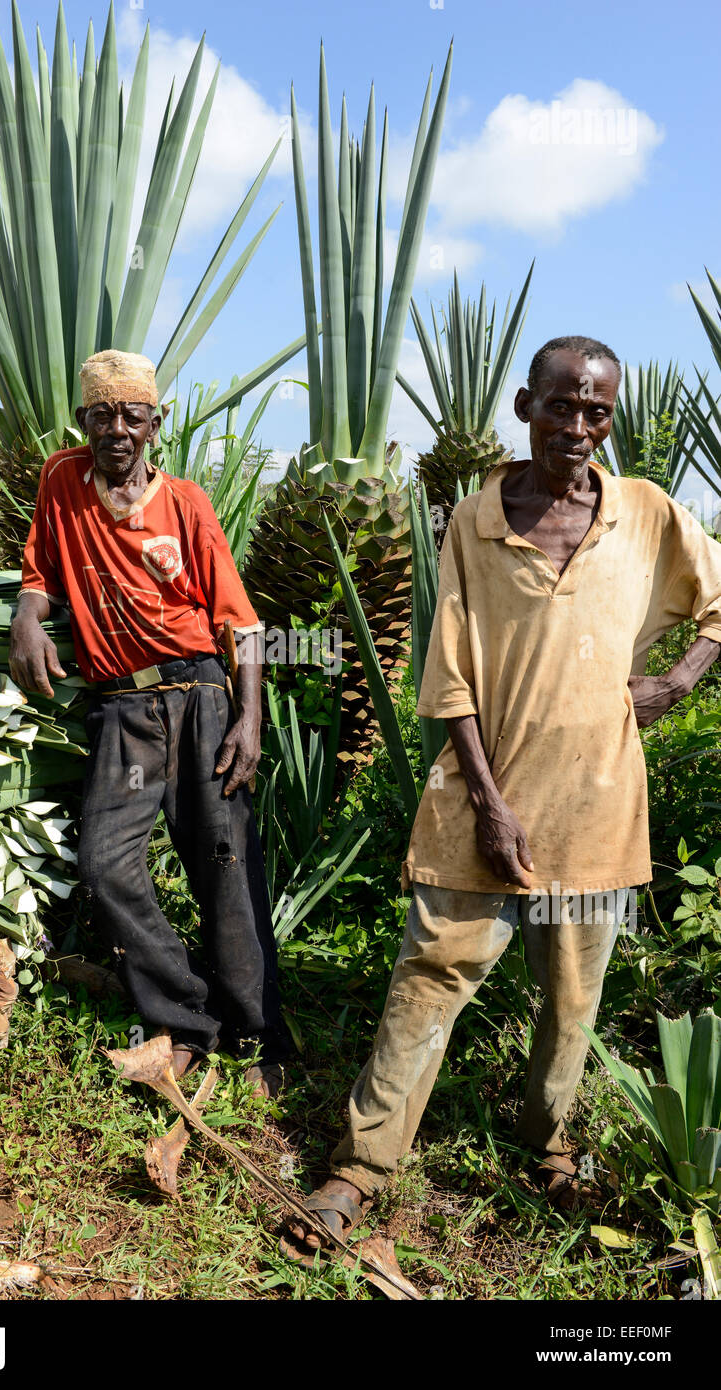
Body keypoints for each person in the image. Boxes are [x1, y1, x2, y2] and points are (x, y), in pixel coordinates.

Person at [282, 335, 721, 1259]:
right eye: (560, 404)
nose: (576, 425)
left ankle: (547, 1138)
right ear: (524, 407)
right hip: (478, 803)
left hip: (599, 805)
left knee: (571, 997)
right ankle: (361, 1167)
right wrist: (488, 802)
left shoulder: (643, 515)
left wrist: (676, 681)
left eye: (595, 409)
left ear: (611, 418)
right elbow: (446, 679)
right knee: (429, 978)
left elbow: (715, 605)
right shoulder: (475, 522)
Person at [9, 349, 290, 1096]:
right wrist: (25, 618)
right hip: (123, 710)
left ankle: (260, 1035)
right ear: (82, 424)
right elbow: (39, 574)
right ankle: (187, 1016)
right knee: (105, 865)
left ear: (156, 425)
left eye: (133, 416)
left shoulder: (188, 503)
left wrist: (248, 720)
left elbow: (242, 624)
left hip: (199, 697)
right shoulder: (60, 482)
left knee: (225, 867)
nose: (117, 430)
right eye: (101, 415)